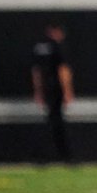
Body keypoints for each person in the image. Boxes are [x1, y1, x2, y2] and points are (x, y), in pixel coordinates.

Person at [30, 23, 74, 163]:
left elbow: (36, 72)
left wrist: (38, 91)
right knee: (57, 122)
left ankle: (46, 155)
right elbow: (63, 70)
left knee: (50, 121)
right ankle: (62, 155)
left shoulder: (39, 48)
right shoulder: (57, 46)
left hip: (46, 88)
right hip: (56, 88)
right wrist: (67, 91)